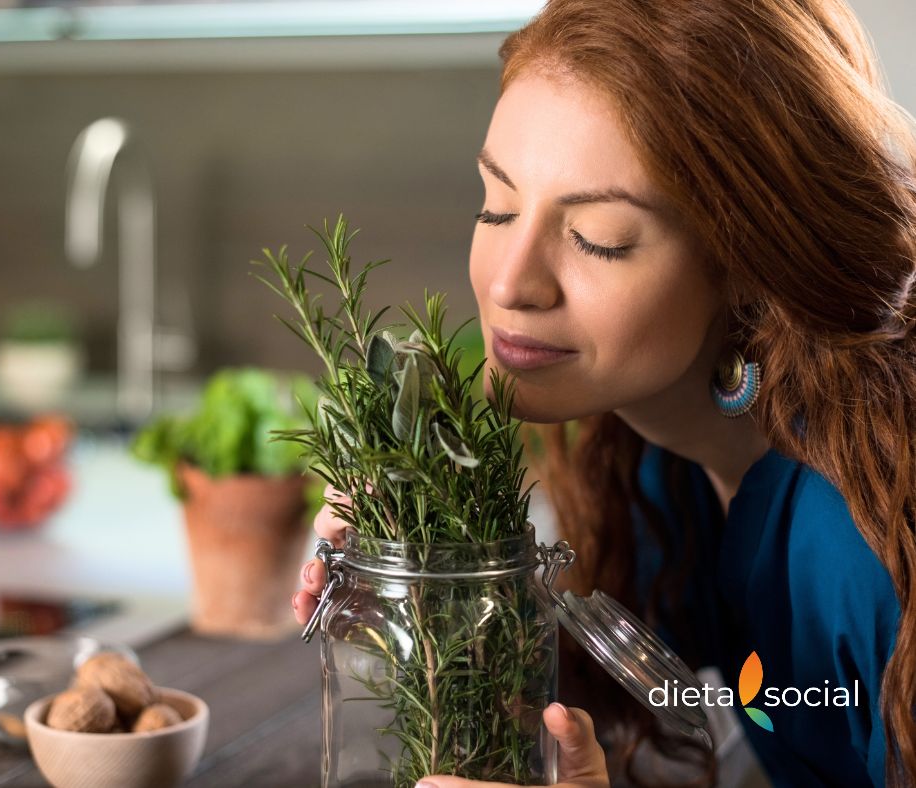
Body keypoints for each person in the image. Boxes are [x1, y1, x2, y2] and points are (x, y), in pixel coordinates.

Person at [292, 0, 916, 785]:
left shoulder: (858, 542)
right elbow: (586, 694)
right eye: (497, 204)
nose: (511, 282)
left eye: (600, 240)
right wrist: (423, 575)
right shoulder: (660, 455)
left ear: (753, 260)